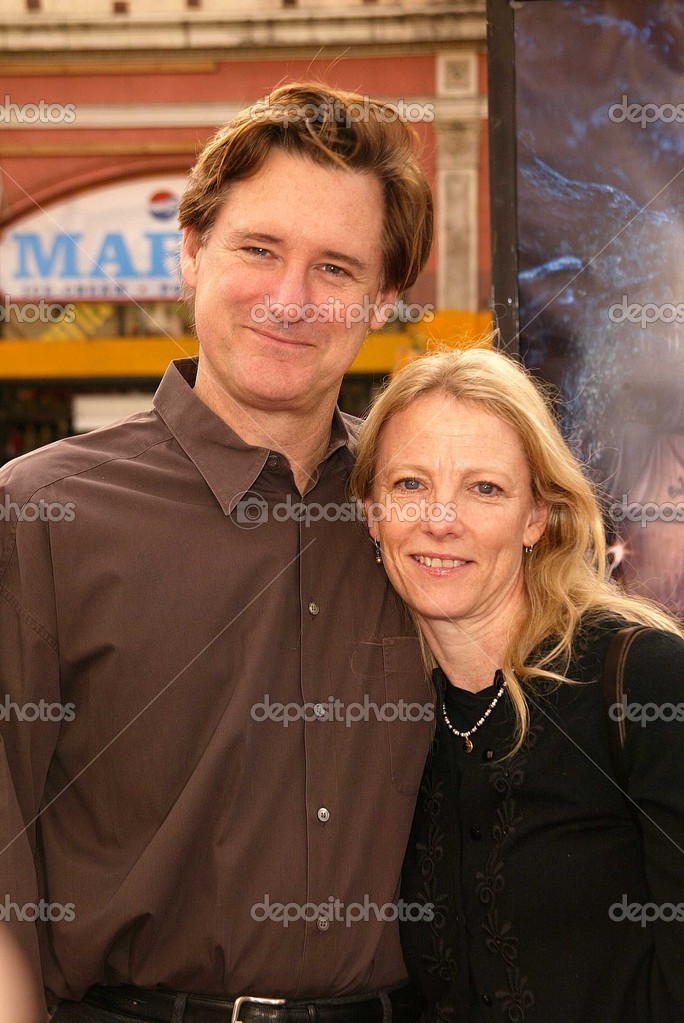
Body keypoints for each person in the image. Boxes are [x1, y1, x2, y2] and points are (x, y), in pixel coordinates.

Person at [0, 83, 435, 1022]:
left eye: (335, 269)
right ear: (192, 250)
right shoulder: (37, 516)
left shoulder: (423, 519)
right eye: (259, 250)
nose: (290, 300)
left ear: (383, 300)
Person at [350, 345, 684, 1022]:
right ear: (371, 512)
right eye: (410, 484)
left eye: (484, 488)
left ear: (537, 516)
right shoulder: (392, 721)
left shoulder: (644, 681)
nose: (441, 519)